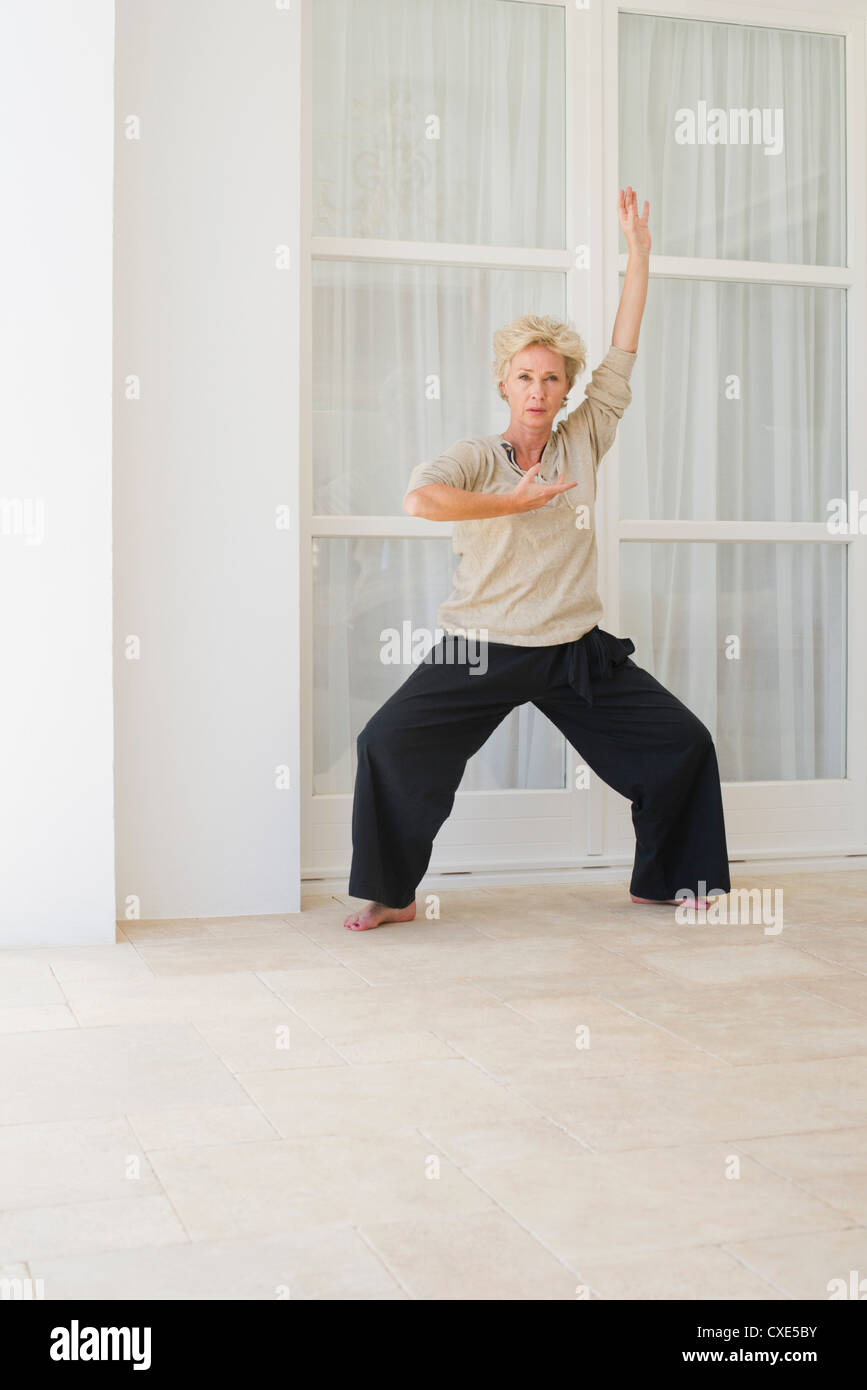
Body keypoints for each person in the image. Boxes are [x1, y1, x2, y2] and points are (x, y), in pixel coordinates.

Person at [343, 187, 730, 931]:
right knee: (385, 745)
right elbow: (420, 501)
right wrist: (511, 505)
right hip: (482, 646)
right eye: (524, 375)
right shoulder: (474, 457)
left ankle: (668, 880)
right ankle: (393, 894)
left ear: (563, 390)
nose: (537, 388)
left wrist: (639, 255)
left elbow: (623, 349)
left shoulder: (584, 436)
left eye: (551, 377)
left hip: (571, 648)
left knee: (683, 743)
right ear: (503, 384)